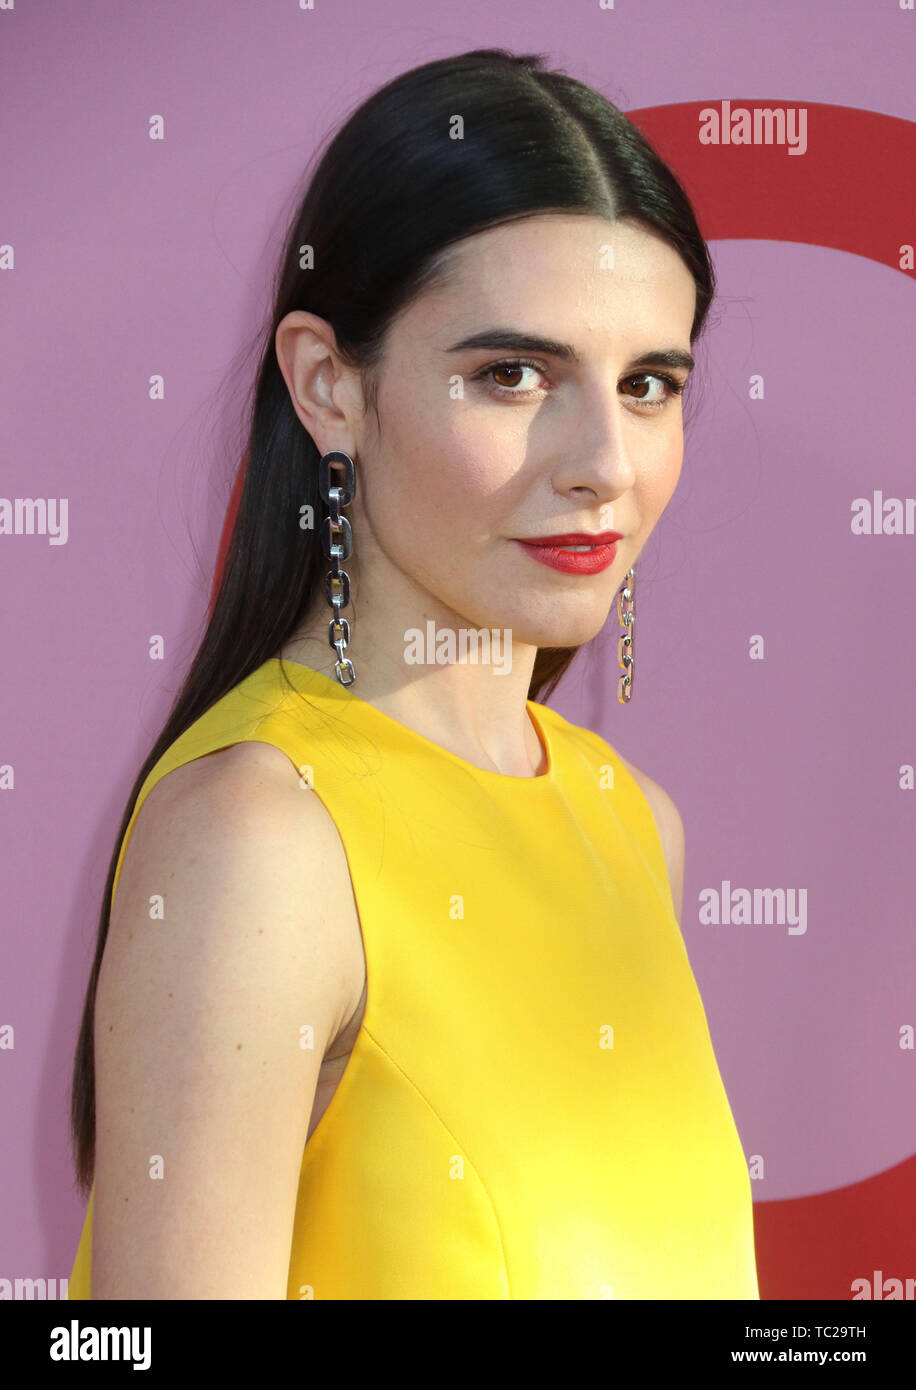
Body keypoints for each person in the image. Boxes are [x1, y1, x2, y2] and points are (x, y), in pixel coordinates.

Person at [67, 47, 760, 1299]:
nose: (604, 459)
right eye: (513, 374)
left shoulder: (630, 820)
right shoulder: (258, 836)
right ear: (329, 386)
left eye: (648, 384)